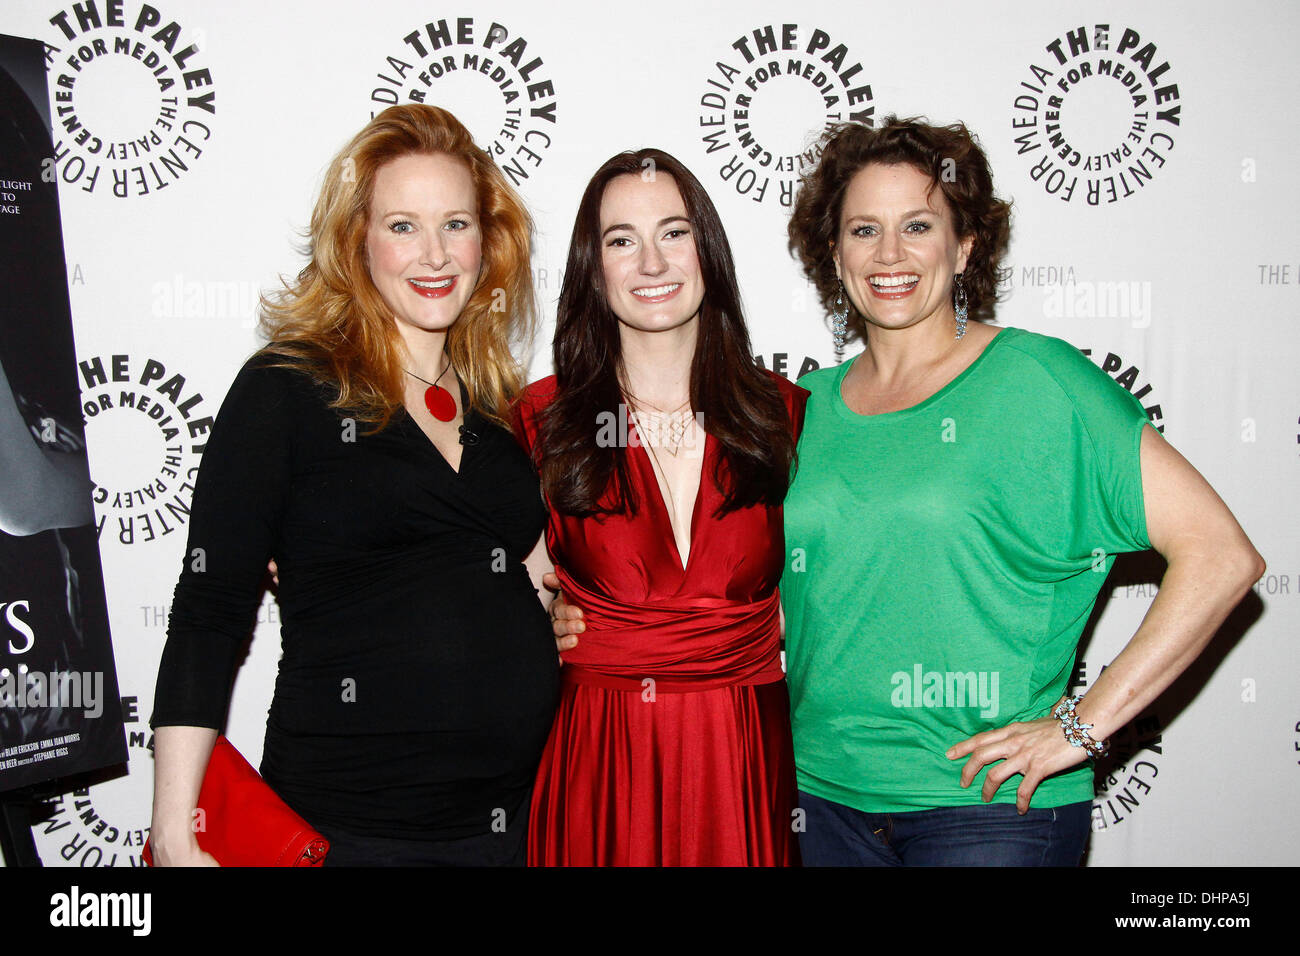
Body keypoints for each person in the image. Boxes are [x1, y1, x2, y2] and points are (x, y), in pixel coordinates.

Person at [777, 116, 1265, 865]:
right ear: (834, 253)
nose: (891, 254)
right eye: (863, 229)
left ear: (964, 245)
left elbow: (1222, 556)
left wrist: (1083, 725)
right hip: (818, 802)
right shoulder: (800, 408)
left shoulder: (1042, 383)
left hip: (991, 813)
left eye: (918, 225)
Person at [149, 104, 559, 866]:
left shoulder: (497, 409)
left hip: (513, 827)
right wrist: (176, 828)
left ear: (489, 240)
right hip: (351, 832)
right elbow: (209, 610)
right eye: (402, 225)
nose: (434, 254)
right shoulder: (286, 389)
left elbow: (533, 578)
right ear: (356, 241)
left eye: (456, 224)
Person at [514, 148, 805, 866]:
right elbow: (463, 582)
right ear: (592, 266)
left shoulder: (790, 414)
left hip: (743, 763)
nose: (651, 263)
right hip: (597, 763)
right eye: (621, 241)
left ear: (707, 248)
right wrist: (527, 626)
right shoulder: (538, 421)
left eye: (673, 233)